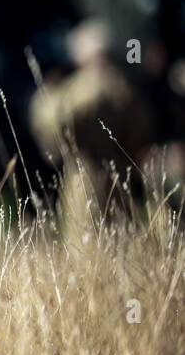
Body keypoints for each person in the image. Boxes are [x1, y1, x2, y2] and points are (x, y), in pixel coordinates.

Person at [30, 18, 154, 231]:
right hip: (84, 184)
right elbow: (49, 132)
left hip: (119, 184)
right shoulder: (74, 90)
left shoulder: (122, 91)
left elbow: (142, 134)